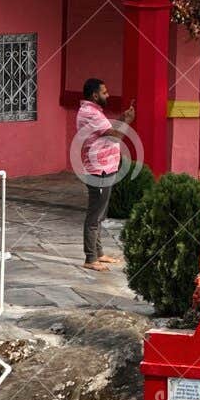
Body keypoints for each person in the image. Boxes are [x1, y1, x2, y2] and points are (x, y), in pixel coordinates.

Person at [74, 77, 135, 271]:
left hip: (103, 169)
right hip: (98, 171)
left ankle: (98, 253)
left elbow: (107, 131)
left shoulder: (92, 112)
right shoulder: (92, 114)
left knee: (100, 214)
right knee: (94, 216)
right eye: (105, 92)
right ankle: (90, 258)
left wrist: (121, 119)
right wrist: (126, 121)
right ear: (95, 95)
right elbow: (115, 136)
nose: (108, 95)